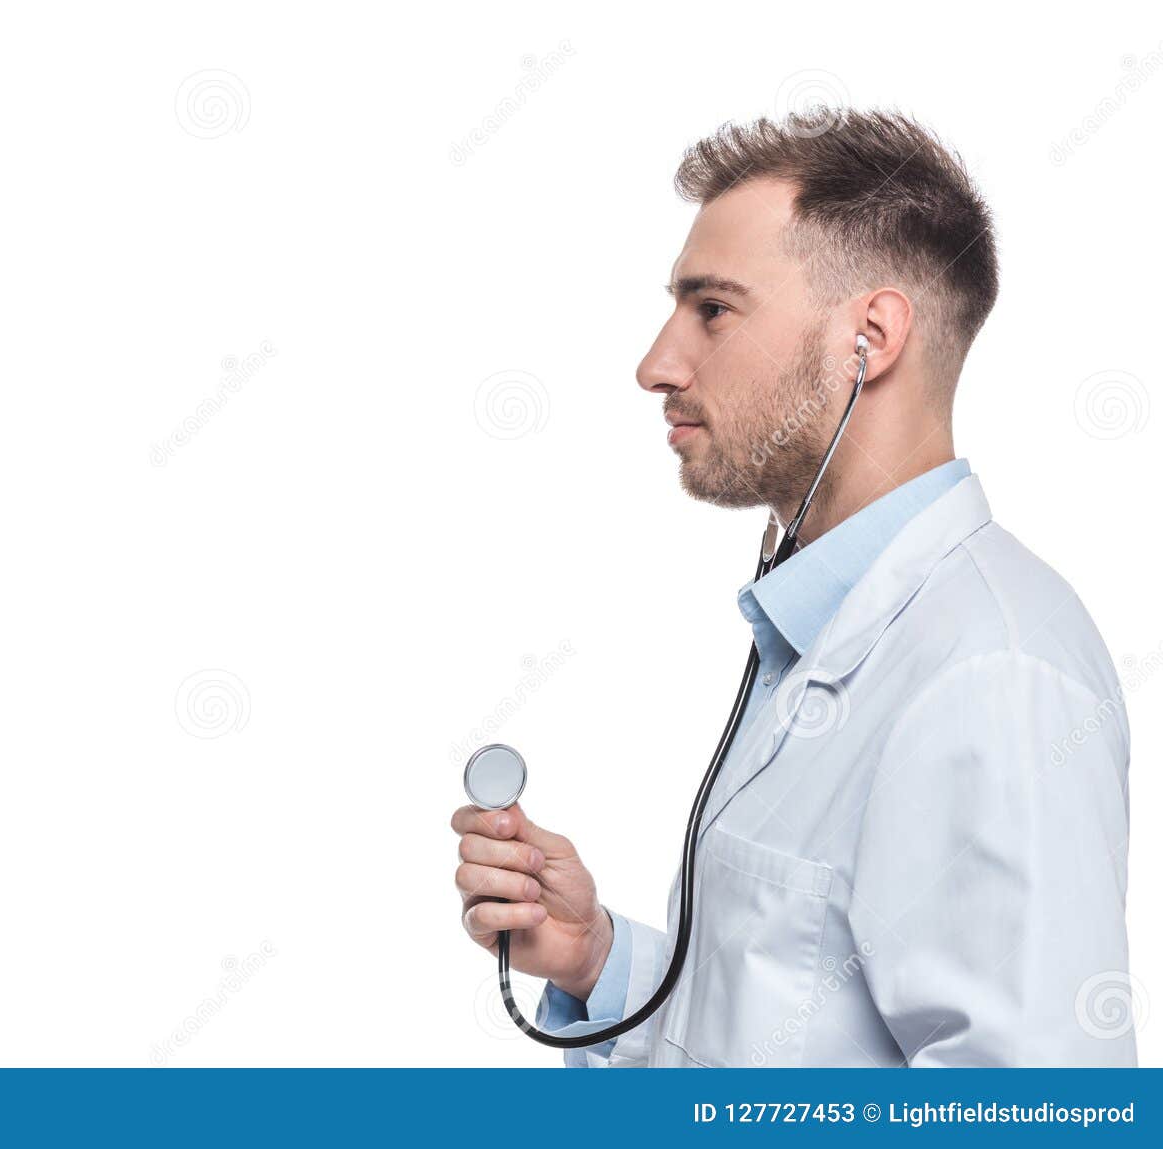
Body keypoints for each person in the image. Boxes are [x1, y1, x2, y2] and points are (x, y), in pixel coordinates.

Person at [450, 110, 1135, 1066]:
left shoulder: (992, 671)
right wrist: (597, 960)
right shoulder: (824, 630)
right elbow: (802, 1043)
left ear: (871, 338)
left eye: (714, 309)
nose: (657, 365)